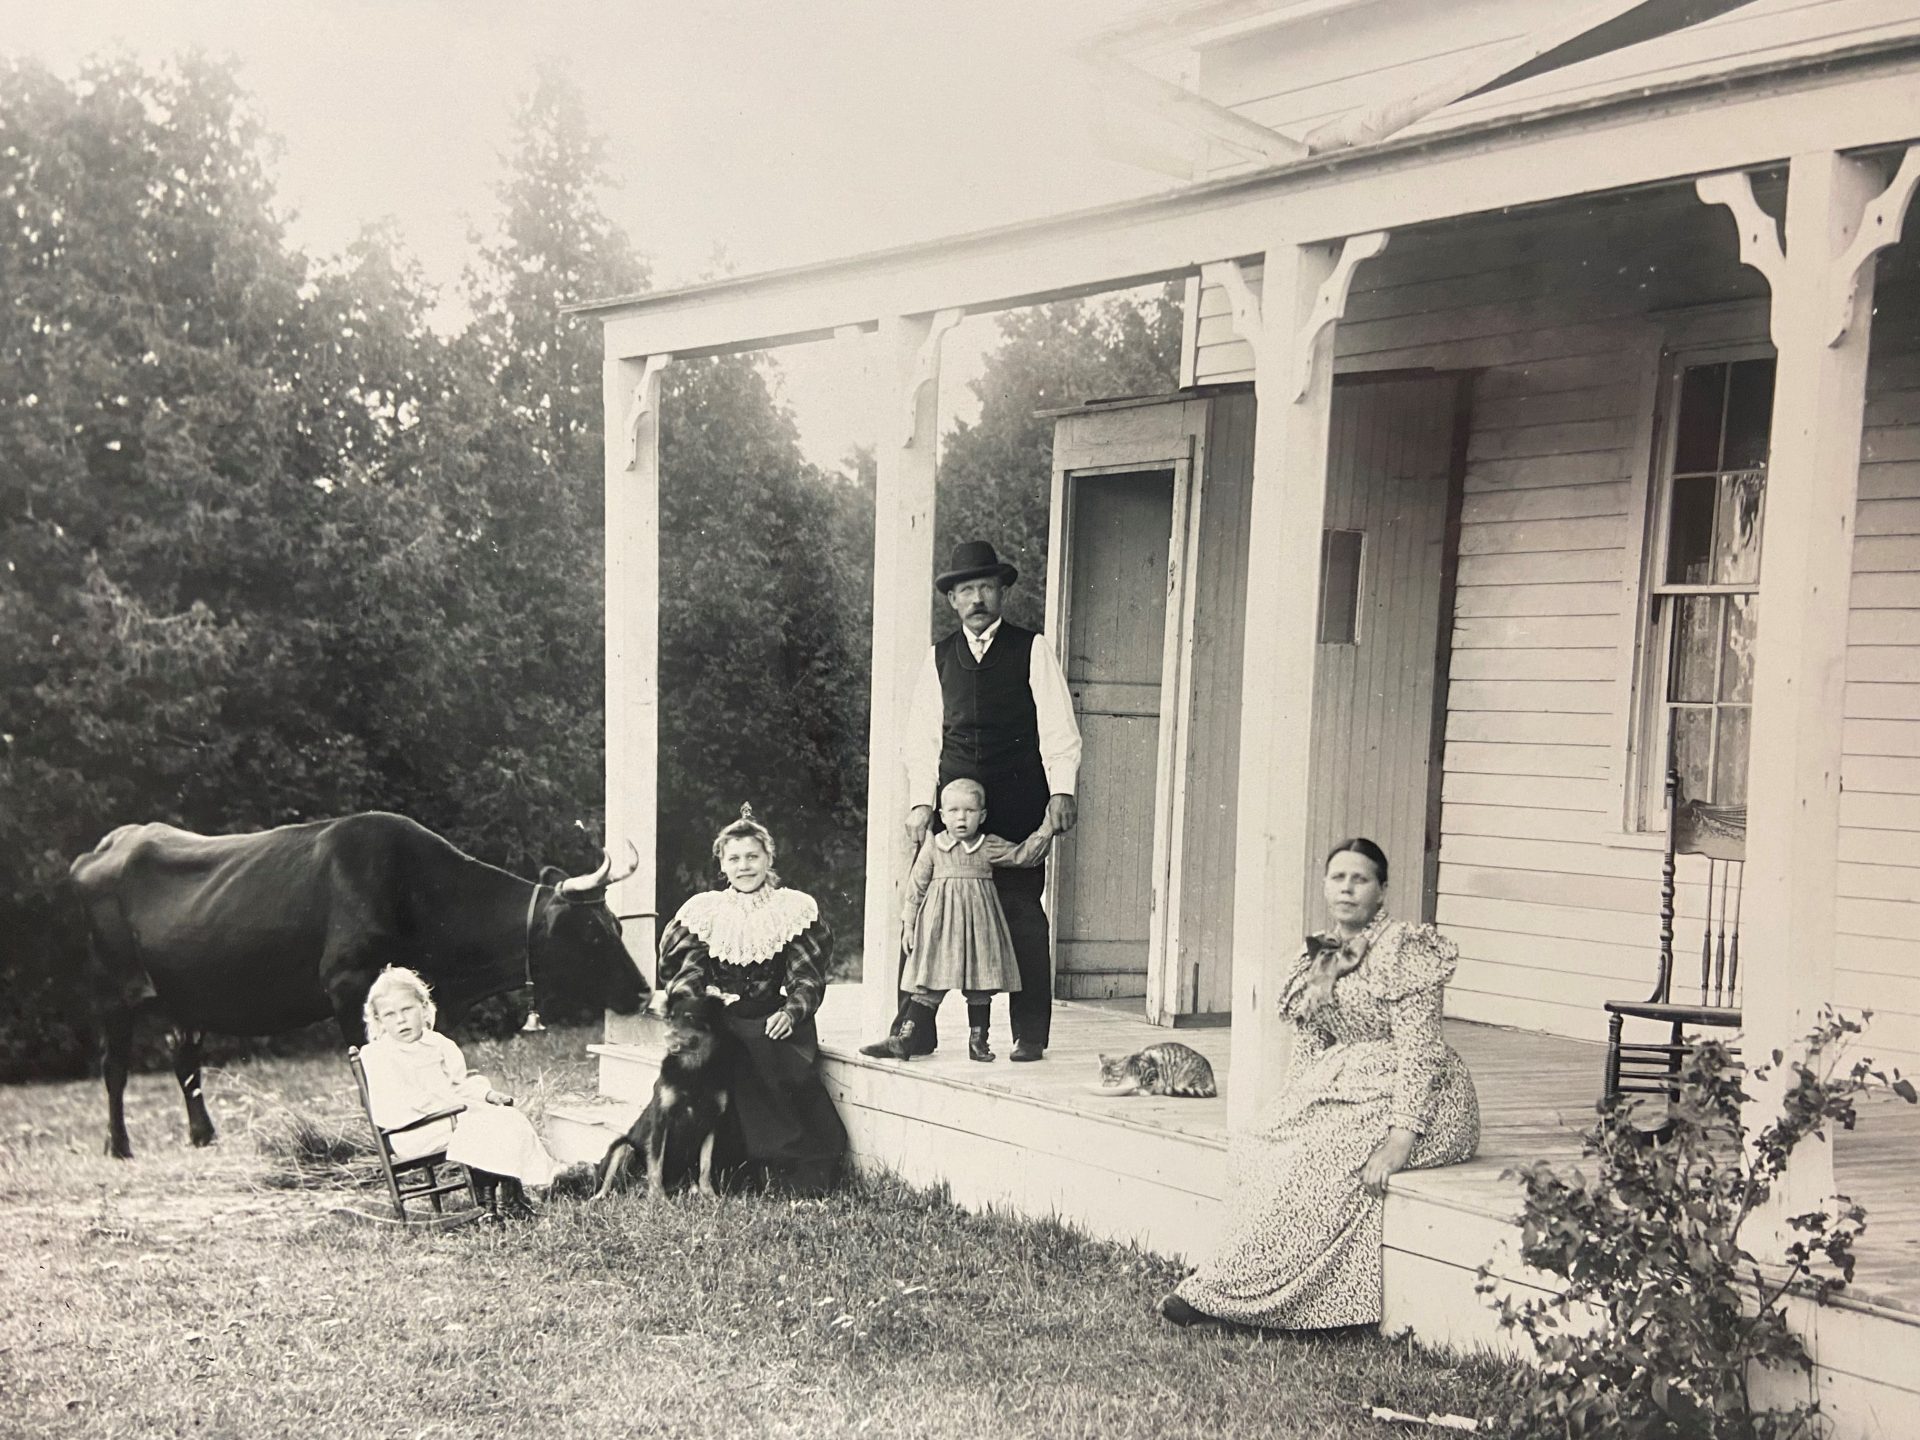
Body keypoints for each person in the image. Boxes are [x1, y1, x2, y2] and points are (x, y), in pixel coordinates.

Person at [1160, 838, 1480, 1331]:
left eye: (1361, 879)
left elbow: (1422, 1051)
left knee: (1321, 1155)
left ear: (1382, 890)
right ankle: (1234, 1283)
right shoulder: (1319, 954)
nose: (1347, 888)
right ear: (1325, 886)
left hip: (1419, 1099)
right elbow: (1311, 1043)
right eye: (1338, 877)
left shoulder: (1404, 949)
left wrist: (1401, 1139)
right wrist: (1294, 1106)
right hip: (1347, 1082)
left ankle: (1271, 1301)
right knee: (1261, 1141)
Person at [892, 539, 1081, 1064]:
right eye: (966, 590)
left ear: (1001, 593)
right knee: (926, 909)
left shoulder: (1032, 648)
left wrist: (1061, 789)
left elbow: (1058, 728)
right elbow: (922, 739)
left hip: (1018, 799)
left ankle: (1030, 1033)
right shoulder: (939, 658)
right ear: (952, 600)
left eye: (986, 588)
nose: (977, 598)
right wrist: (919, 803)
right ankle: (913, 1029)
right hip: (952, 809)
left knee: (1022, 912)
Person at [654, 804, 849, 1195]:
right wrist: (692, 1006)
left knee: (766, 1057)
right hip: (721, 1015)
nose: (744, 866)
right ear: (722, 864)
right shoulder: (706, 911)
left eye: (752, 857)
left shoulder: (792, 909)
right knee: (698, 1062)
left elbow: (806, 976)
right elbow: (689, 969)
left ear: (768, 859)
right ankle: (697, 1169)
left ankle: (779, 1172)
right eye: (734, 858)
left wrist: (792, 1012)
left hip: (770, 1015)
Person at [860, 777, 1057, 1063]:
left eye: (969, 811)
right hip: (939, 928)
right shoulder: (934, 846)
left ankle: (978, 1042)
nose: (961, 817)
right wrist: (910, 924)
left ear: (983, 816)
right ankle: (904, 1038)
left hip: (980, 927)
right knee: (929, 981)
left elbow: (1023, 856)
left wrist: (1047, 828)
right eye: (953, 811)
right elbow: (916, 886)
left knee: (979, 984)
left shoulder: (987, 845)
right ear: (941, 815)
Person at [358, 966, 561, 1222]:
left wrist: (486, 1096)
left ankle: (512, 1197)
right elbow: (394, 1103)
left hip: (450, 1117)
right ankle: (487, 1208)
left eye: (407, 1010)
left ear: (423, 1008)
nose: (400, 1020)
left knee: (506, 1117)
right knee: (483, 1126)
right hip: (412, 1128)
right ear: (379, 1021)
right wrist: (454, 1106)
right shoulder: (379, 1055)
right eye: (390, 1014)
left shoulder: (438, 1044)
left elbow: (459, 1085)